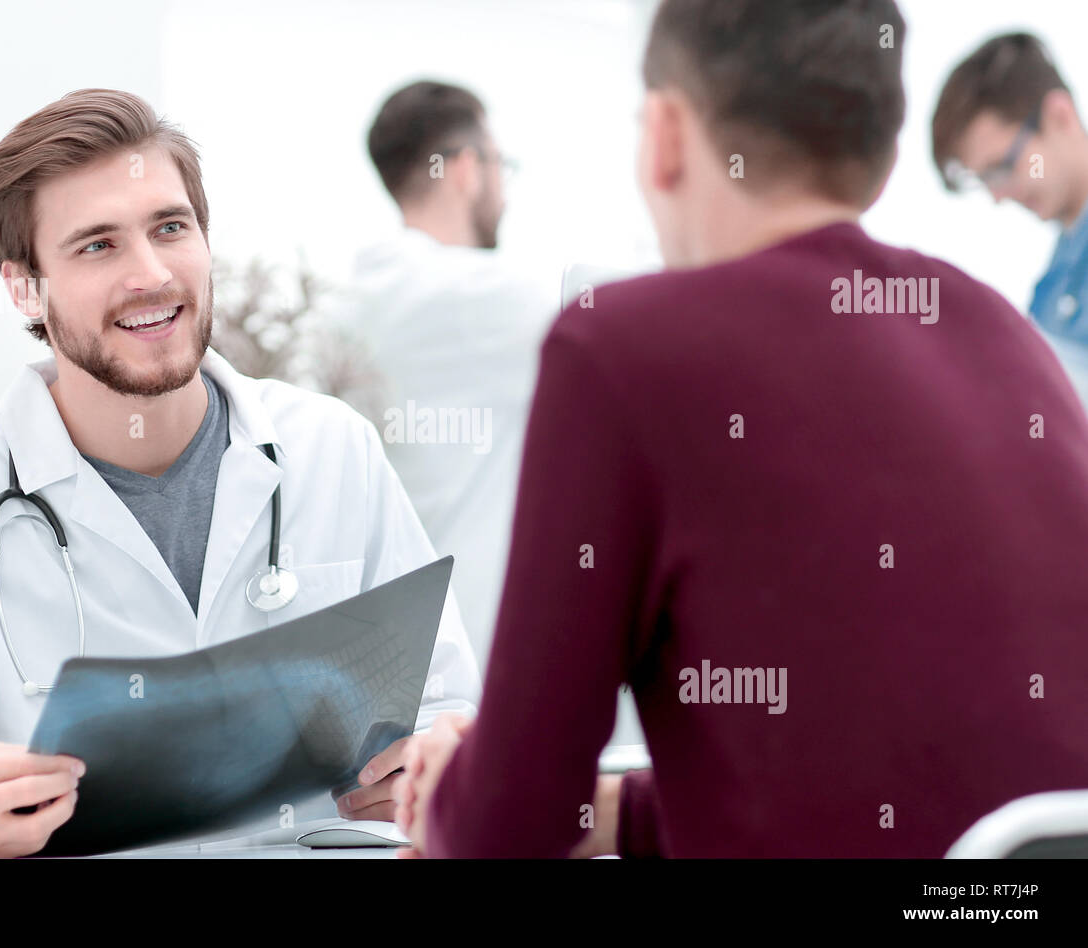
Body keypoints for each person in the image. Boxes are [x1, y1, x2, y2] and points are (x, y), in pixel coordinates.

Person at [395, 0, 1088, 858]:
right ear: (879, 162)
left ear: (666, 137)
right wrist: (608, 810)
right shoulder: (1005, 335)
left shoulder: (617, 346)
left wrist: (443, 799)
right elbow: (869, 786)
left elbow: (511, 823)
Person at [0, 89, 480, 859]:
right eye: (97, 245)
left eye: (170, 228)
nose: (150, 274)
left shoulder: (332, 451)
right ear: (25, 287)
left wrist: (434, 762)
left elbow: (451, 707)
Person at [341, 80, 559, 667]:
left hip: (385, 642)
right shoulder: (488, 297)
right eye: (501, 165)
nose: (505, 192)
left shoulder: (348, 302)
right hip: (484, 641)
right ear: (465, 169)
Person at [932, 32, 1088, 402]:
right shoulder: (1049, 293)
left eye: (1002, 167)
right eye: (984, 181)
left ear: (1059, 115)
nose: (998, 196)